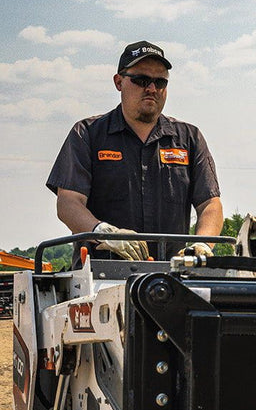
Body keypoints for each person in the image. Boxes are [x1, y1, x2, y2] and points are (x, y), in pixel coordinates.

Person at [47, 41, 224, 261]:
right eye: (141, 80)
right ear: (118, 82)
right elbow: (68, 203)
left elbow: (210, 203)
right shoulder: (87, 134)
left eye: (160, 82)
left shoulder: (189, 138)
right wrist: (105, 233)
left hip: (172, 276)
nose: (151, 88)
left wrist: (202, 244)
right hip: (101, 275)